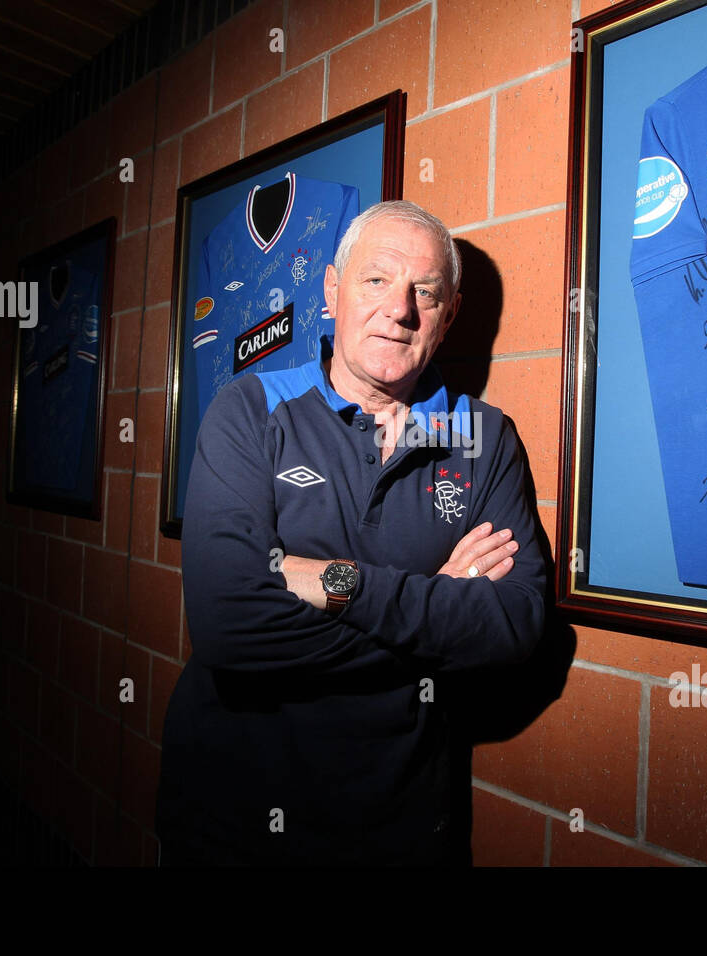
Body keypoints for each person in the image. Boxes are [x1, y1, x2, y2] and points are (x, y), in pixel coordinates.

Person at [156, 200, 547, 866]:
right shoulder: (249, 410)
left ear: (448, 317)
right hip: (230, 819)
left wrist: (332, 581)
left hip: (396, 827)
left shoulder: (485, 438)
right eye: (376, 280)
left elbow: (517, 624)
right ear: (332, 291)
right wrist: (436, 602)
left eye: (426, 292)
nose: (400, 309)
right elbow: (227, 625)